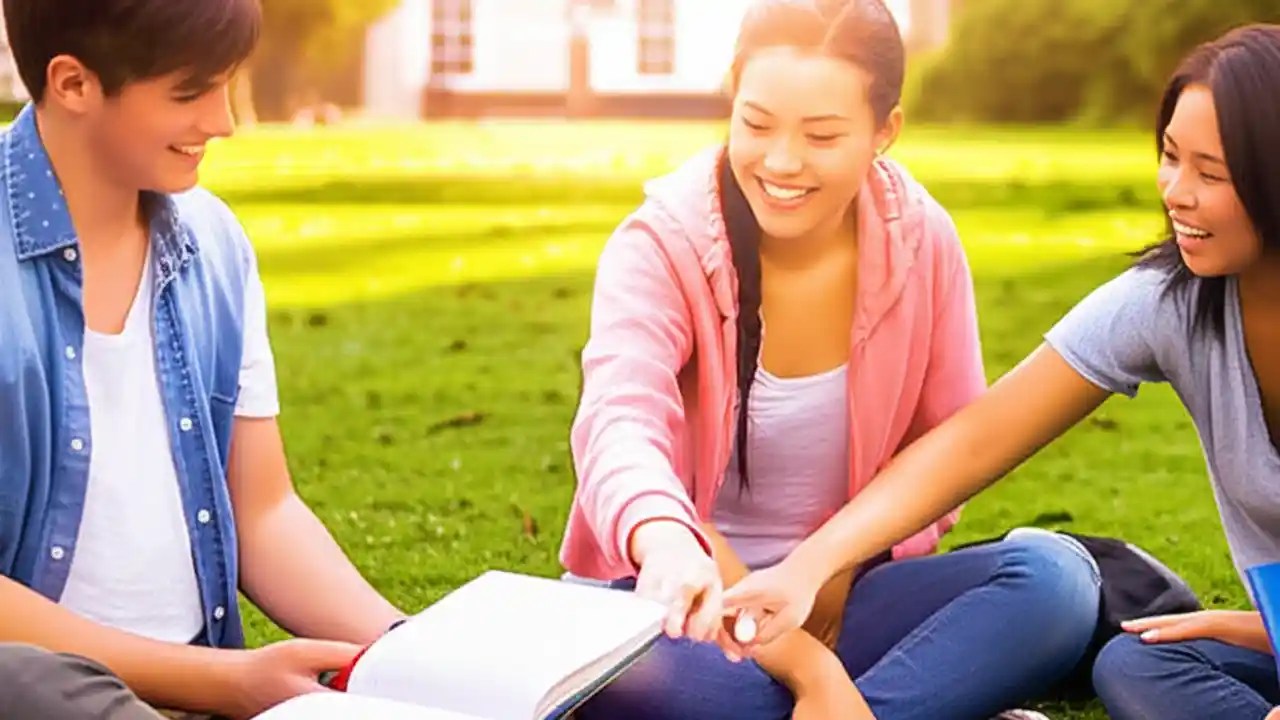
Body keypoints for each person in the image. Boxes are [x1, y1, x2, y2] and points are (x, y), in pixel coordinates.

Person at [558, 1, 1101, 718]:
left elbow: (947, 452)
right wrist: (669, 544)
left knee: (1056, 583)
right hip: (673, 604)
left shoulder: (922, 243)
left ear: (885, 132)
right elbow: (618, 422)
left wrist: (834, 565)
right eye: (755, 125)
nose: (781, 162)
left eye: (822, 135)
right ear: (731, 96)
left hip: (840, 601)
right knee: (646, 683)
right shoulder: (662, 245)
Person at [722, 23, 1280, 720]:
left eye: (1212, 174)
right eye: (1170, 157)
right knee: (1140, 662)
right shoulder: (1169, 303)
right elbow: (974, 440)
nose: (1176, 191)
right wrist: (809, 569)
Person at [0, 0, 405, 717]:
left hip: (201, 684)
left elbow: (264, 510)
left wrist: (408, 649)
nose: (223, 121)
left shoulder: (212, 244)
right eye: (190, 92)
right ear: (72, 83)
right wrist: (223, 682)